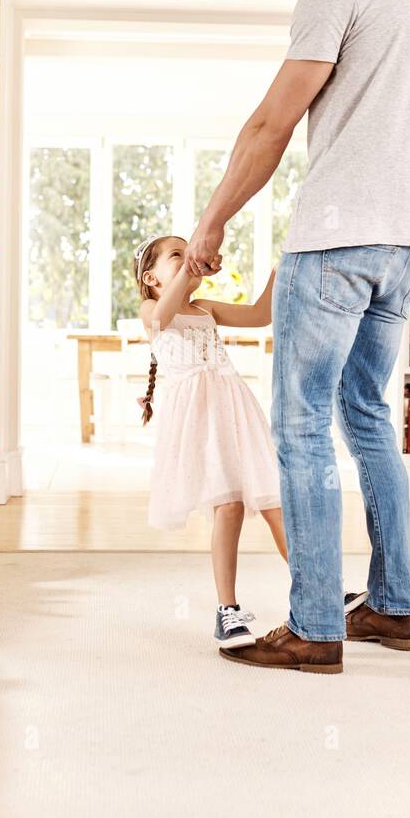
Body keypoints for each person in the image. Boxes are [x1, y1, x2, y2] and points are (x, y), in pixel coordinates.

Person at [183, 0, 410, 675]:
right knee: (369, 418)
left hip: (337, 236)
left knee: (301, 427)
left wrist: (207, 227)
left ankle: (313, 627)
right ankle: (393, 605)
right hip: (408, 238)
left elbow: (271, 125)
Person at [133, 233, 287, 648]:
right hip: (201, 419)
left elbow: (261, 314)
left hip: (235, 409)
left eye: (190, 252)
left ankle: (316, 589)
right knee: (230, 504)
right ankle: (228, 609)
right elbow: (162, 318)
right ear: (151, 278)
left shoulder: (205, 309)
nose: (189, 260)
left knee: (276, 499)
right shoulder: (152, 308)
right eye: (176, 256)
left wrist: (280, 265)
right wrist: (192, 264)